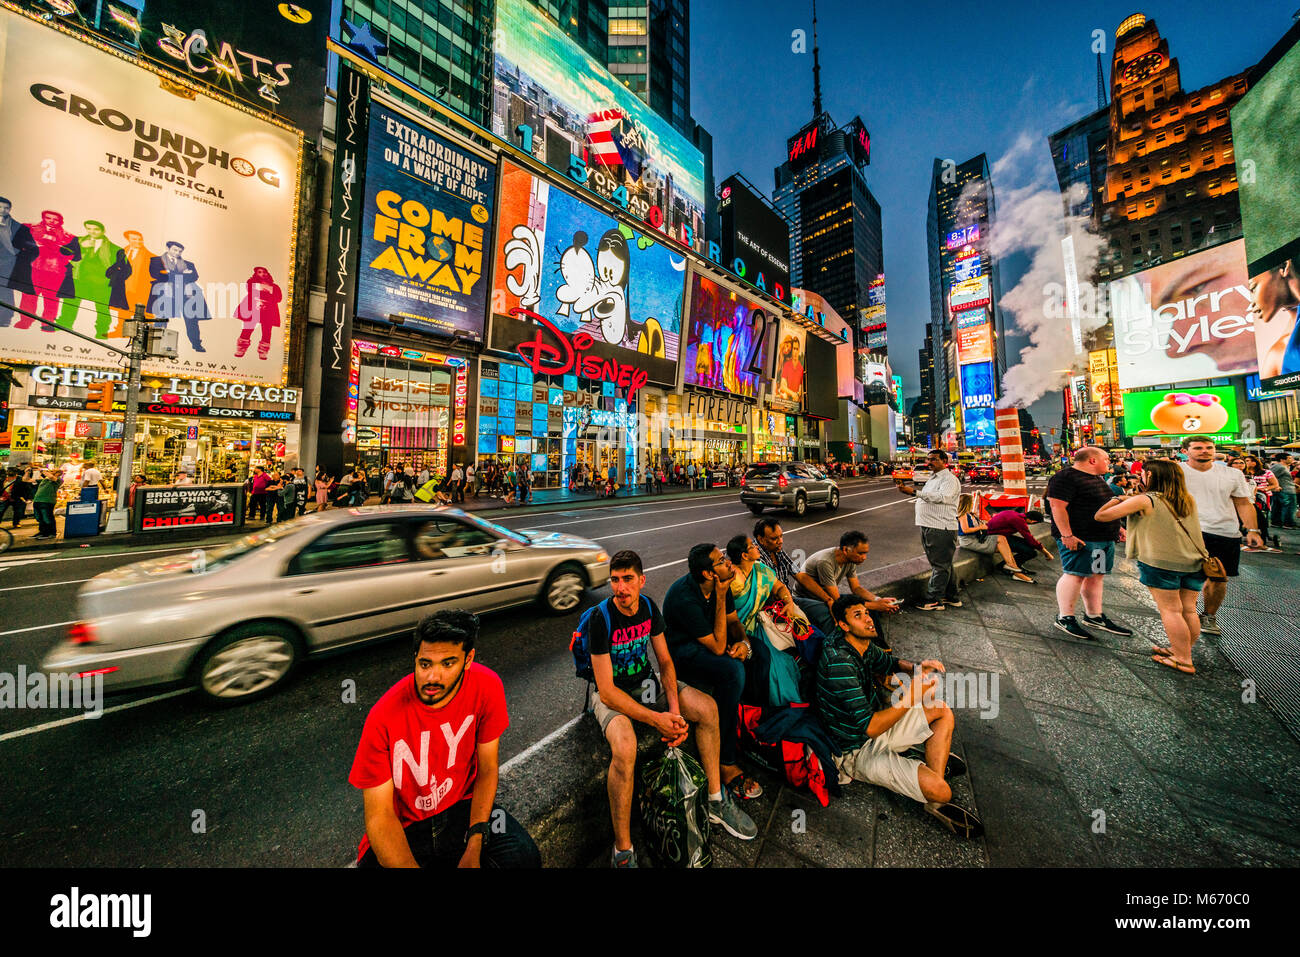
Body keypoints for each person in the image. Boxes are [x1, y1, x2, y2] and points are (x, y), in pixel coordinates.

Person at [587, 550, 757, 867]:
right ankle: (623, 851)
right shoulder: (601, 618)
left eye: (627, 580)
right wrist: (657, 720)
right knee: (625, 748)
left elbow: (665, 662)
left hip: (646, 684)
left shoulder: (649, 607)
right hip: (614, 694)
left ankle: (716, 801)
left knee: (707, 709)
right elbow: (607, 691)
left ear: (641, 581)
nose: (620, 588)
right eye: (614, 580)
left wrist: (675, 712)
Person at [348, 609, 541, 868]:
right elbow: (380, 816)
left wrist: (475, 843)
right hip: (406, 826)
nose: (432, 677)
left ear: (468, 659)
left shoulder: (487, 687)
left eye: (448, 664)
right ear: (415, 657)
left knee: (524, 857)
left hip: (461, 810)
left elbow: (487, 769)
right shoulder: (383, 716)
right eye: (425, 664)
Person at [814, 594, 982, 839]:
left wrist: (916, 668)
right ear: (843, 625)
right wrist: (910, 698)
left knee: (941, 709)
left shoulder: (859, 642)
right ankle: (930, 769)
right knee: (943, 792)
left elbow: (888, 662)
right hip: (856, 750)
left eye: (867, 613)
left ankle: (926, 762)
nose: (868, 620)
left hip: (877, 727)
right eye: (857, 615)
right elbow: (870, 728)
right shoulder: (839, 664)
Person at [663, 544, 764, 803]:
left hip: (710, 642)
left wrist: (745, 645)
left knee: (759, 652)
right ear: (709, 574)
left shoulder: (721, 582)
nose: (729, 562)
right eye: (721, 560)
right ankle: (726, 761)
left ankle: (752, 730)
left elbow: (732, 623)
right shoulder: (684, 597)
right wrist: (720, 596)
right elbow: (719, 648)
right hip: (685, 656)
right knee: (732, 671)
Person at [1094, 460, 1208, 676]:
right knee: (1189, 610)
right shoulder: (1187, 499)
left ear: (1149, 476)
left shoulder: (1145, 500)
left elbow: (1101, 516)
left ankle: (1182, 659)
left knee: (1170, 610)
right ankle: (1182, 650)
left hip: (1162, 562)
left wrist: (1117, 498)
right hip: (1195, 561)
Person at [1179, 438, 1264, 636]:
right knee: (1185, 578)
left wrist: (1253, 530)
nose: (1205, 451)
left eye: (1209, 448)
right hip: (1187, 531)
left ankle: (1208, 615)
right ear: (1185, 451)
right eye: (1198, 448)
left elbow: (1243, 503)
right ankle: (1186, 615)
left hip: (1225, 532)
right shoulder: (1176, 472)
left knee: (1218, 578)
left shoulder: (1232, 474)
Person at [1045, 447, 1132, 640]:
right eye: (1106, 459)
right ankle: (1065, 617)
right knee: (1075, 575)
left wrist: (1117, 527)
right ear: (1092, 460)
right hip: (1081, 539)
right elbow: (1057, 508)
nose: (1108, 463)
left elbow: (1102, 506)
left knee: (1096, 575)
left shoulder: (1097, 479)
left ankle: (1094, 616)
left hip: (1103, 538)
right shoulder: (1065, 477)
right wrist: (1067, 535)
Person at [726, 534, 809, 706]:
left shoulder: (759, 568)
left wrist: (789, 601)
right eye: (752, 546)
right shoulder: (732, 578)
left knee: (786, 656)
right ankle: (771, 705)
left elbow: (778, 586)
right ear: (744, 555)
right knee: (770, 663)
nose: (757, 547)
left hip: (756, 624)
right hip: (735, 630)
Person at [791, 530, 901, 635]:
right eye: (861, 553)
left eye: (865, 553)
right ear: (845, 550)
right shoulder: (825, 562)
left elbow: (856, 588)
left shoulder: (850, 560)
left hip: (828, 596)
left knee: (869, 611)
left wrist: (878, 600)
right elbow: (837, 600)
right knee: (835, 617)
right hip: (807, 598)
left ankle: (880, 647)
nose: (864, 558)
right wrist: (875, 606)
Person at [896, 449, 963, 612]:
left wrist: (914, 492)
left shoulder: (949, 479)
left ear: (944, 461)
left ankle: (934, 600)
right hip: (930, 525)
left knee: (939, 565)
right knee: (943, 563)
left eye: (933, 459)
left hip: (941, 527)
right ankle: (951, 596)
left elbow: (943, 498)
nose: (929, 462)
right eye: (928, 459)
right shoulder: (933, 478)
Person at [58, 220, 120, 338]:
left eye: (96, 229)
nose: (92, 231)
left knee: (102, 308)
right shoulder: (78, 241)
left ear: (103, 231)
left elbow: (120, 267)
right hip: (79, 279)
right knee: (70, 302)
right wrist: (80, 246)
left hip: (100, 283)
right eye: (89, 229)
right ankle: (65, 324)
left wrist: (110, 278)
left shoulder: (113, 248)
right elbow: (63, 252)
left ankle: (102, 331)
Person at [956, 495, 1036, 582]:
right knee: (1001, 539)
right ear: (967, 503)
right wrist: (981, 527)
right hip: (969, 541)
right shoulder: (963, 515)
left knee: (1004, 542)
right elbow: (965, 530)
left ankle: (1014, 569)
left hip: (976, 537)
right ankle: (1015, 570)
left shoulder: (970, 514)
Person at [148, 241, 210, 352]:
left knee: (192, 320)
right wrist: (183, 274)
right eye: (175, 250)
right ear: (168, 248)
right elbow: (156, 275)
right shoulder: (156, 261)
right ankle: (156, 344)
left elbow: (194, 276)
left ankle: (196, 344)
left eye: (180, 251)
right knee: (162, 318)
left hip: (186, 294)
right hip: (165, 293)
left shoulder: (189, 264)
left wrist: (169, 273)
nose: (177, 253)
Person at [0, 197, 38, 327]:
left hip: (7, 266)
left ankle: (4, 319)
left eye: (6, 207)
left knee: (5, 292)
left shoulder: (19, 228)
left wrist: (19, 259)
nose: (2, 210)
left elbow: (33, 250)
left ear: (10, 209)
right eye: (0, 207)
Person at [233, 267, 281, 360]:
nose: (262, 274)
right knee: (248, 328)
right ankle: (241, 349)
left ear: (268, 273)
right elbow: (251, 291)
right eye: (259, 272)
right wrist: (267, 293)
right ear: (256, 274)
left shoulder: (275, 287)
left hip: (268, 311)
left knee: (267, 331)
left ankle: (263, 351)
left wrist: (265, 295)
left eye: (264, 272)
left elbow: (278, 298)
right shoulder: (252, 283)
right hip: (253, 309)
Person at [986, 507, 1054, 569]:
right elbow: (1031, 539)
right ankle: (1005, 566)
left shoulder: (1014, 513)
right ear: (1033, 521)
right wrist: (1046, 553)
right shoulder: (1019, 521)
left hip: (996, 535)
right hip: (994, 538)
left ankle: (1016, 565)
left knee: (1029, 546)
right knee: (1031, 552)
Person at [1268, 453, 1298, 530]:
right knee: (1289, 507)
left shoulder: (1280, 467)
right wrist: (1275, 486)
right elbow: (1270, 477)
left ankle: (1277, 522)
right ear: (1282, 459)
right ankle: (1288, 523)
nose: (1292, 460)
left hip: (1283, 489)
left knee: (1278, 506)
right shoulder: (1280, 467)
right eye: (1289, 458)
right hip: (1286, 490)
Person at [31, 468, 60, 539]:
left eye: (53, 471)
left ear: (57, 474)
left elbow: (51, 477)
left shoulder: (58, 480)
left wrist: (42, 470)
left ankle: (51, 533)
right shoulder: (44, 480)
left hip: (47, 501)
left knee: (47, 517)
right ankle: (42, 532)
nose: (50, 472)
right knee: (39, 518)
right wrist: (27, 472)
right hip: (37, 500)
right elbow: (26, 480)